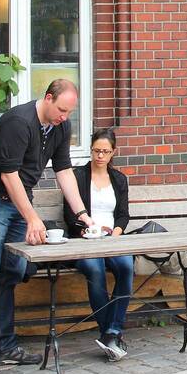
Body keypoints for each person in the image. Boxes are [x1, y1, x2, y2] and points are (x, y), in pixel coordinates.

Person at [0, 79, 91, 374]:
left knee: (13, 270)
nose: (64, 117)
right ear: (47, 98)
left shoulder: (60, 127)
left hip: (18, 202)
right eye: (61, 110)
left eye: (69, 112)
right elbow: (9, 175)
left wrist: (83, 214)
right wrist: (32, 218)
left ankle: (0, 346)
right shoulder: (19, 121)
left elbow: (64, 170)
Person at [66, 128, 134, 361]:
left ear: (113, 152)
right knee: (94, 269)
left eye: (105, 151)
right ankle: (110, 333)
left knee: (126, 267)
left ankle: (111, 332)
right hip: (85, 241)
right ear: (91, 149)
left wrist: (115, 233)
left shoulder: (119, 179)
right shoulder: (78, 176)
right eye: (96, 151)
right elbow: (69, 214)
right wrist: (86, 230)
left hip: (112, 240)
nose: (100, 156)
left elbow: (124, 215)